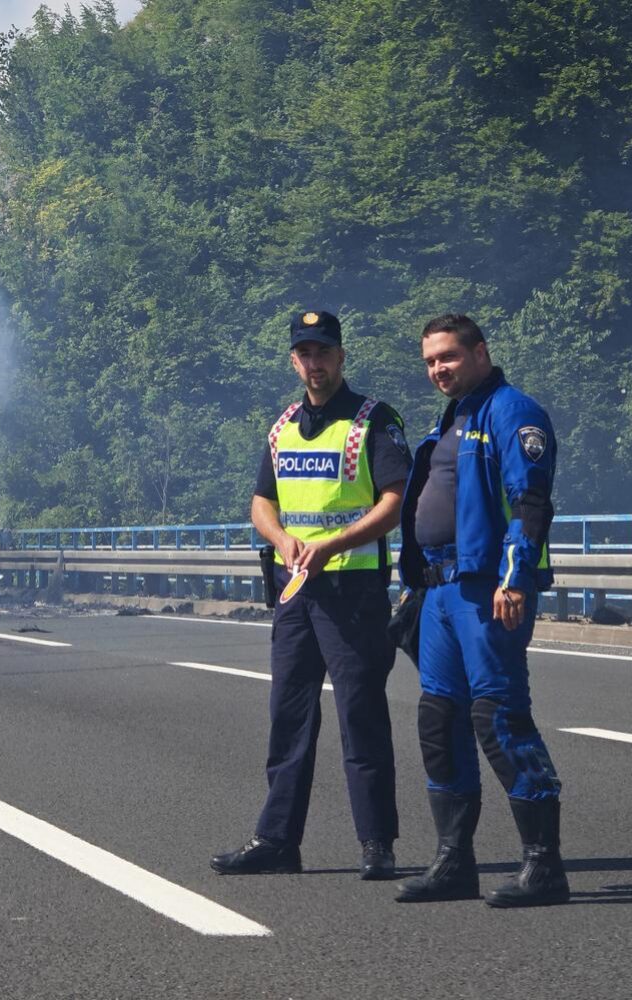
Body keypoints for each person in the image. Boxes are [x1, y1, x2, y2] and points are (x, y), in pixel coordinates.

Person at [211, 309, 412, 881]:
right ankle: (277, 840)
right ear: (293, 359)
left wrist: (332, 544)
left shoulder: (373, 420)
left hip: (351, 588)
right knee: (288, 715)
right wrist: (280, 539)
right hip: (294, 590)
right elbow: (261, 502)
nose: (314, 362)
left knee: (360, 714)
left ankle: (377, 842)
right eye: (304, 353)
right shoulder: (280, 427)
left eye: (323, 352)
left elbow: (395, 500)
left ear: (342, 356)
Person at [394, 313, 567, 908]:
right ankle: (453, 863)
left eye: (448, 356)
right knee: (440, 721)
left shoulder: (511, 410)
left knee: (499, 717)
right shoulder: (454, 417)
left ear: (480, 352)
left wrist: (515, 577)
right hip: (440, 591)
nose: (438, 369)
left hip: (486, 589)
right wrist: (416, 584)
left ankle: (544, 867)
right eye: (430, 361)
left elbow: (531, 503)